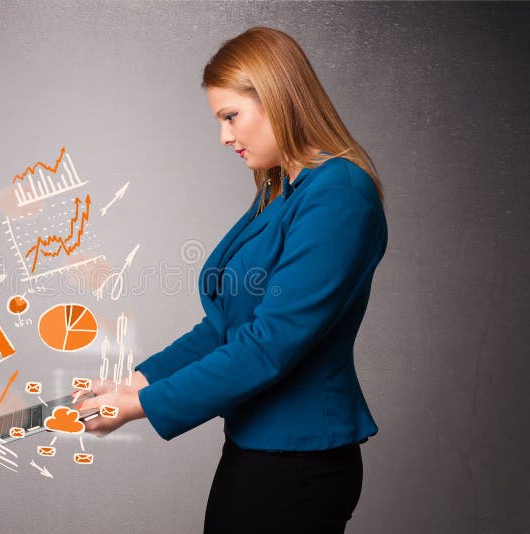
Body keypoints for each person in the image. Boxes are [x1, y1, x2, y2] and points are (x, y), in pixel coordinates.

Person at [74, 26, 388, 533]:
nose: (224, 137)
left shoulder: (339, 194)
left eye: (231, 117)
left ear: (278, 99)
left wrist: (140, 407)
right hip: (256, 449)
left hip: (299, 461)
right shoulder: (281, 191)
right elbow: (224, 326)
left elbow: (270, 344)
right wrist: (136, 382)